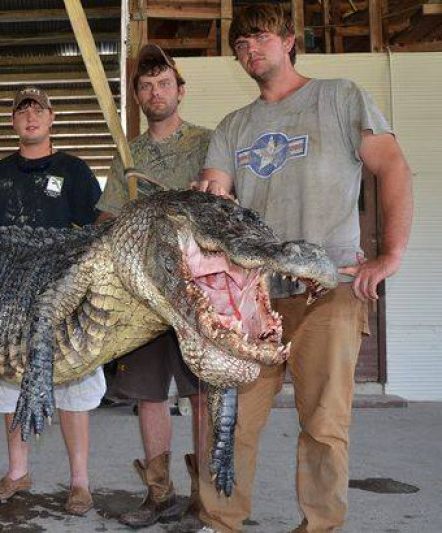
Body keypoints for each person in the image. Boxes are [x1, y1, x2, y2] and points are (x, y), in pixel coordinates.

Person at [193, 4, 413, 532]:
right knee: (232, 424)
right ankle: (221, 521)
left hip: (329, 288)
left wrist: (391, 255)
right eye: (241, 45)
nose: (251, 51)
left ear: (289, 41)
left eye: (261, 38)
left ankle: (320, 526)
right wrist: (207, 197)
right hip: (253, 300)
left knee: (323, 423)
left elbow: (394, 167)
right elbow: (215, 189)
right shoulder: (234, 126)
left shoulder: (339, 97)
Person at [0, 86, 105, 516]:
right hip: (9, 301)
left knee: (73, 387)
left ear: (52, 119)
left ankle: (80, 483)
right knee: (9, 386)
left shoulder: (76, 172)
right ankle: (17, 471)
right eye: (22, 110)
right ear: (13, 121)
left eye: (38, 110)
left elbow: (95, 236)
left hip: (64, 300)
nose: (30, 117)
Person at [95, 44, 212, 528]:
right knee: (148, 394)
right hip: (143, 296)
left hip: (197, 292)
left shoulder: (209, 144)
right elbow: (106, 217)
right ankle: (157, 495)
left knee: (203, 393)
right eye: (145, 86)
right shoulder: (129, 155)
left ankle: (205, 498)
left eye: (163, 82)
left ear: (180, 90)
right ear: (138, 98)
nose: (154, 91)